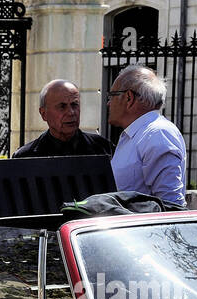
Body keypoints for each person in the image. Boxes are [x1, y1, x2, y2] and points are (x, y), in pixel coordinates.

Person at [107, 64, 186, 207]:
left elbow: (171, 205)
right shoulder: (137, 135)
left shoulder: (157, 134)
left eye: (111, 96)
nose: (108, 103)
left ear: (129, 98)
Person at [14, 79, 115, 158]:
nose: (71, 112)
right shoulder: (25, 157)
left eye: (74, 105)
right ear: (44, 114)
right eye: (62, 106)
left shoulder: (104, 150)